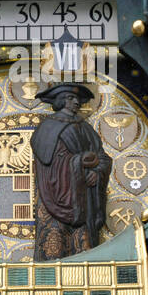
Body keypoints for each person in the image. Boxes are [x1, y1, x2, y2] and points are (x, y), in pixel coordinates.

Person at [31, 84, 112, 260]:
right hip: (57, 193)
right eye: (71, 98)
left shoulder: (85, 127)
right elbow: (50, 162)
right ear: (60, 101)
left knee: (84, 244)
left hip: (84, 197)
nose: (76, 102)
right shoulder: (48, 128)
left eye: (77, 99)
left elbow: (102, 157)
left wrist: (97, 173)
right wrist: (80, 164)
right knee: (55, 240)